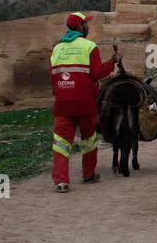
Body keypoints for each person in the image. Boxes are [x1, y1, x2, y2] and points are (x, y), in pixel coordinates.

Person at [49, 11, 119, 192]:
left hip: (62, 104)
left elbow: (53, 78)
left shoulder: (57, 48)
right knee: (88, 140)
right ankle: (88, 175)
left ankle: (61, 182)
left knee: (61, 144)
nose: (88, 26)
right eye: (86, 24)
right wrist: (113, 62)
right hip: (85, 104)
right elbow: (97, 73)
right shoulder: (90, 46)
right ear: (80, 27)